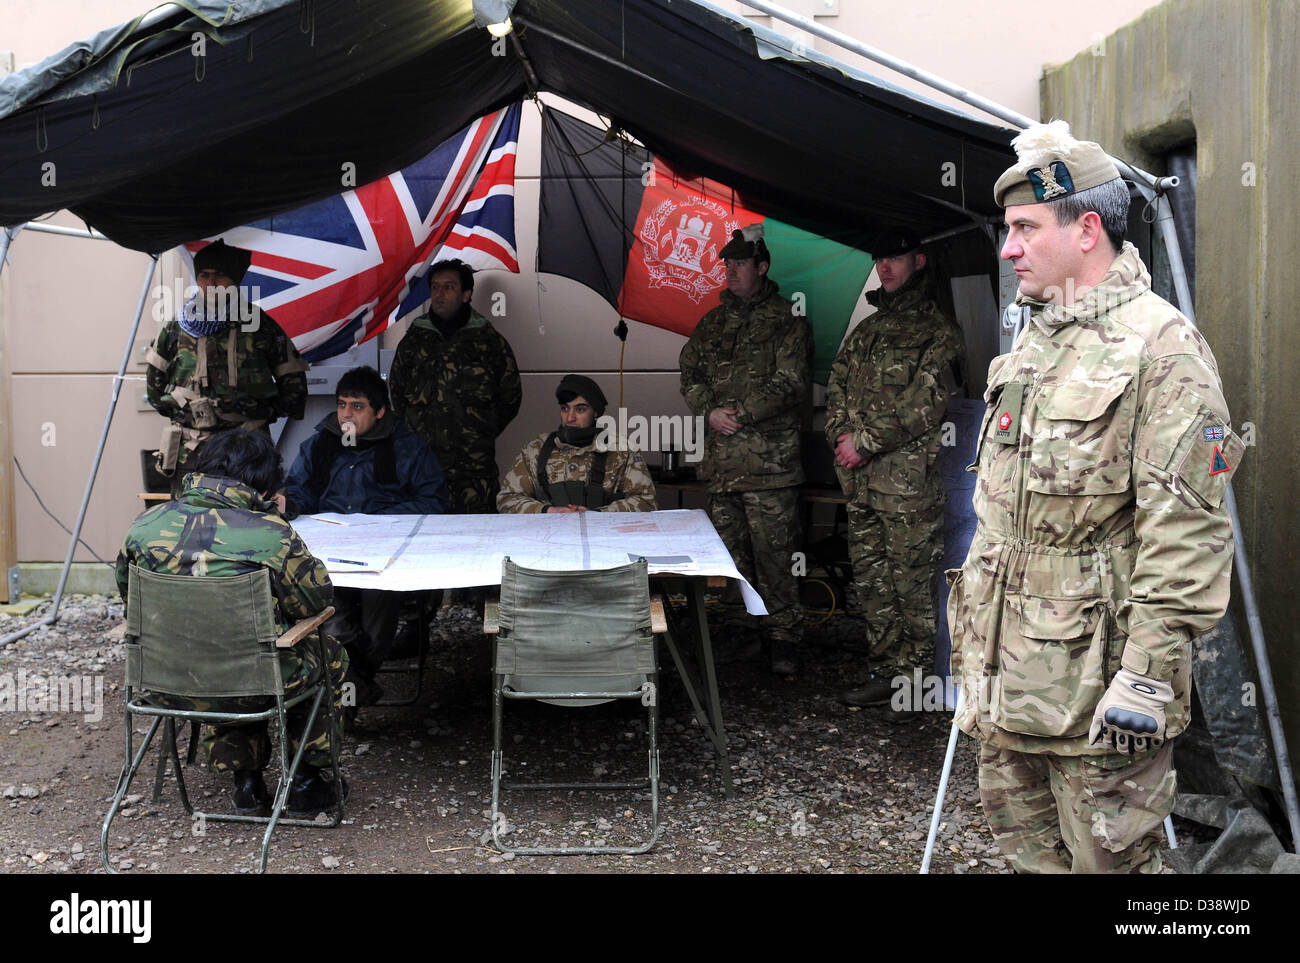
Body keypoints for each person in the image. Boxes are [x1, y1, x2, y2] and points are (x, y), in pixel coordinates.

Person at [949, 121, 1243, 873]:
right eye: (1008, 230)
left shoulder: (1163, 348)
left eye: (1023, 229)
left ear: (1086, 230)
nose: (1008, 248)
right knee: (1029, 856)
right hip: (1009, 676)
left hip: (1098, 693)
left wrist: (1146, 674)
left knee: (1111, 866)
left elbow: (1188, 531)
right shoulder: (1033, 343)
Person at [115, 430, 348, 818]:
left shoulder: (143, 528)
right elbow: (318, 600)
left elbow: (129, 601)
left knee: (216, 650)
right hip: (251, 683)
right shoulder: (271, 535)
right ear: (263, 483)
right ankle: (307, 781)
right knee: (327, 654)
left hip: (165, 682)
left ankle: (246, 784)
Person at [826, 228, 966, 716]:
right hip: (863, 486)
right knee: (872, 583)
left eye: (896, 257)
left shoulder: (938, 330)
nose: (886, 265)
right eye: (880, 257)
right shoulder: (866, 331)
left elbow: (929, 400)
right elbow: (837, 388)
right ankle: (885, 675)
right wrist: (842, 438)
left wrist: (863, 443)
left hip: (908, 489)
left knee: (912, 587)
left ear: (919, 261)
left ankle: (918, 686)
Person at [679, 224, 812, 676]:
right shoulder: (711, 323)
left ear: (762, 267)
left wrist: (739, 412)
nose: (730, 271)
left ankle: (784, 637)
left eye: (739, 264)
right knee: (729, 559)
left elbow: (791, 382)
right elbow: (689, 374)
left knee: (776, 556)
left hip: (770, 469)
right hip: (722, 468)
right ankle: (740, 631)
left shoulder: (788, 320)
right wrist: (708, 411)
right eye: (727, 264)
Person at [283, 366, 448, 706]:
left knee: (381, 599)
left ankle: (350, 683)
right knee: (329, 601)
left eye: (357, 406)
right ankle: (355, 684)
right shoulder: (318, 445)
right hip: (328, 553)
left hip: (386, 556)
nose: (346, 414)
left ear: (380, 411)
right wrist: (289, 501)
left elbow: (434, 502)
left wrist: (375, 521)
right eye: (342, 404)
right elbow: (301, 492)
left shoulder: (409, 450)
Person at [145, 239, 308, 490]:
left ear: (235, 280)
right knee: (191, 521)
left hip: (246, 452)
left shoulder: (258, 325)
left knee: (249, 519)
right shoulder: (177, 326)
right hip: (192, 453)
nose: (211, 284)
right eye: (204, 275)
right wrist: (185, 412)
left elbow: (294, 386)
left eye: (220, 276)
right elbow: (154, 390)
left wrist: (259, 412)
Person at [388, 258, 522, 514]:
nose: (439, 295)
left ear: (466, 294)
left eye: (448, 287)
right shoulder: (415, 340)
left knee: (479, 538)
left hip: (473, 470)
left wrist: (479, 431)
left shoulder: (488, 341)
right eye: (435, 287)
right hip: (423, 465)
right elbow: (398, 393)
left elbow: (510, 396)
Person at [497, 374, 657, 514]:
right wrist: (547, 511)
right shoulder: (536, 449)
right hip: (548, 539)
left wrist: (598, 514)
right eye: (565, 408)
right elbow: (507, 499)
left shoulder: (622, 450)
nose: (570, 418)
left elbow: (646, 502)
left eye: (580, 410)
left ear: (595, 412)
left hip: (605, 538)